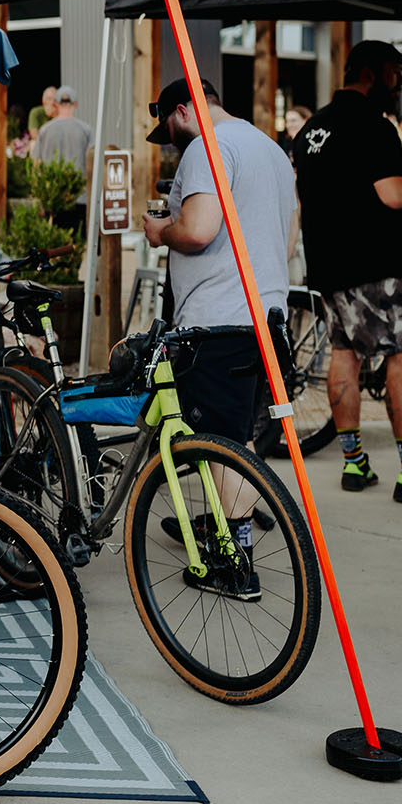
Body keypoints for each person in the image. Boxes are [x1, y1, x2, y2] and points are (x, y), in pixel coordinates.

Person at [141, 79, 297, 599]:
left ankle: (235, 562)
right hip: (268, 314)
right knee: (241, 435)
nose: (170, 141)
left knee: (222, 443)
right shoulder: (270, 147)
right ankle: (221, 525)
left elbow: (200, 229)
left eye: (167, 128)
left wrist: (160, 228)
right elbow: (289, 233)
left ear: (182, 110)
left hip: (219, 320)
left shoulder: (207, 145)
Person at [292, 40, 402, 506]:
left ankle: (353, 461)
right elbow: (391, 195)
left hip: (328, 266)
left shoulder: (311, 130)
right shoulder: (374, 127)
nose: (400, 82)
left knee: (345, 355)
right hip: (377, 266)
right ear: (369, 74)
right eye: (394, 73)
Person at [32, 84, 95, 230]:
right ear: (76, 104)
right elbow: (94, 164)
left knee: (55, 248)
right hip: (79, 198)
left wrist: (39, 196)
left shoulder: (44, 130)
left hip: (52, 198)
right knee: (76, 245)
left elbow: (36, 164)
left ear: (56, 104)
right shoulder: (86, 130)